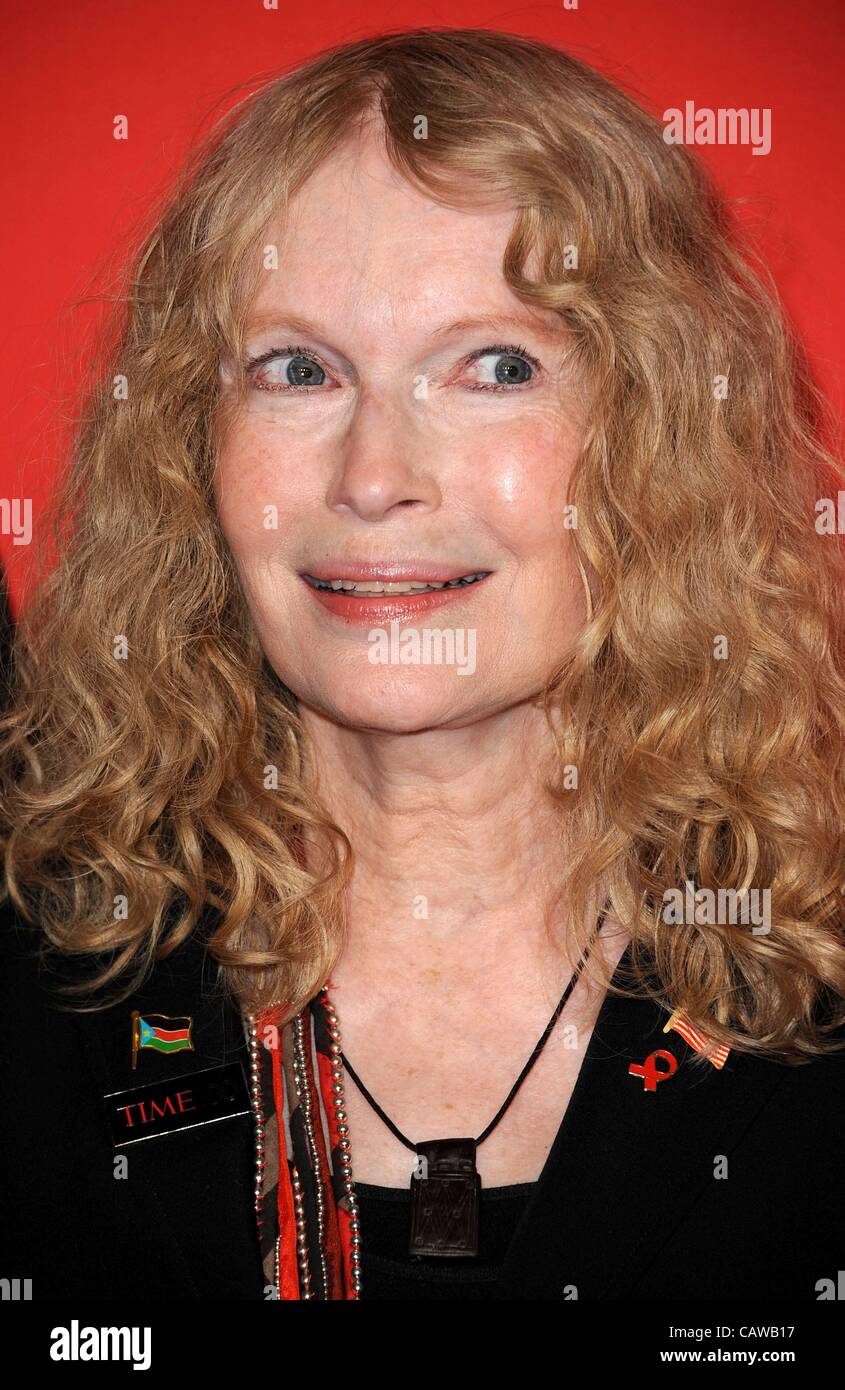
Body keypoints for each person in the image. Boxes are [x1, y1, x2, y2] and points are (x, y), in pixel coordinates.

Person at [1, 27, 844, 1303]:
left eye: (492, 368)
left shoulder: (809, 963)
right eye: (297, 370)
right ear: (194, 447)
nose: (375, 477)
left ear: (654, 434)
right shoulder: (47, 954)